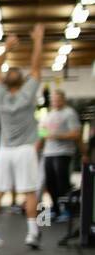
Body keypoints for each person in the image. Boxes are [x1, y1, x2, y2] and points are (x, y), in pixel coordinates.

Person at [0, 23, 45, 249]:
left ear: (6, 82)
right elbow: (36, 68)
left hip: (6, 151)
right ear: (23, 81)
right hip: (25, 149)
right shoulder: (27, 92)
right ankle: (32, 234)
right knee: (29, 192)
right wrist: (37, 40)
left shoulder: (0, 95)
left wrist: (6, 48)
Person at [38, 89, 82, 222]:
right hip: (48, 152)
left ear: (63, 99)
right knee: (50, 183)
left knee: (62, 183)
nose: (55, 102)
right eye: (53, 100)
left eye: (57, 99)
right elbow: (41, 133)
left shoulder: (69, 113)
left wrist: (57, 135)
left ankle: (67, 210)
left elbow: (76, 134)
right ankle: (56, 209)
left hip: (63, 152)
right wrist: (40, 140)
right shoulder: (48, 114)